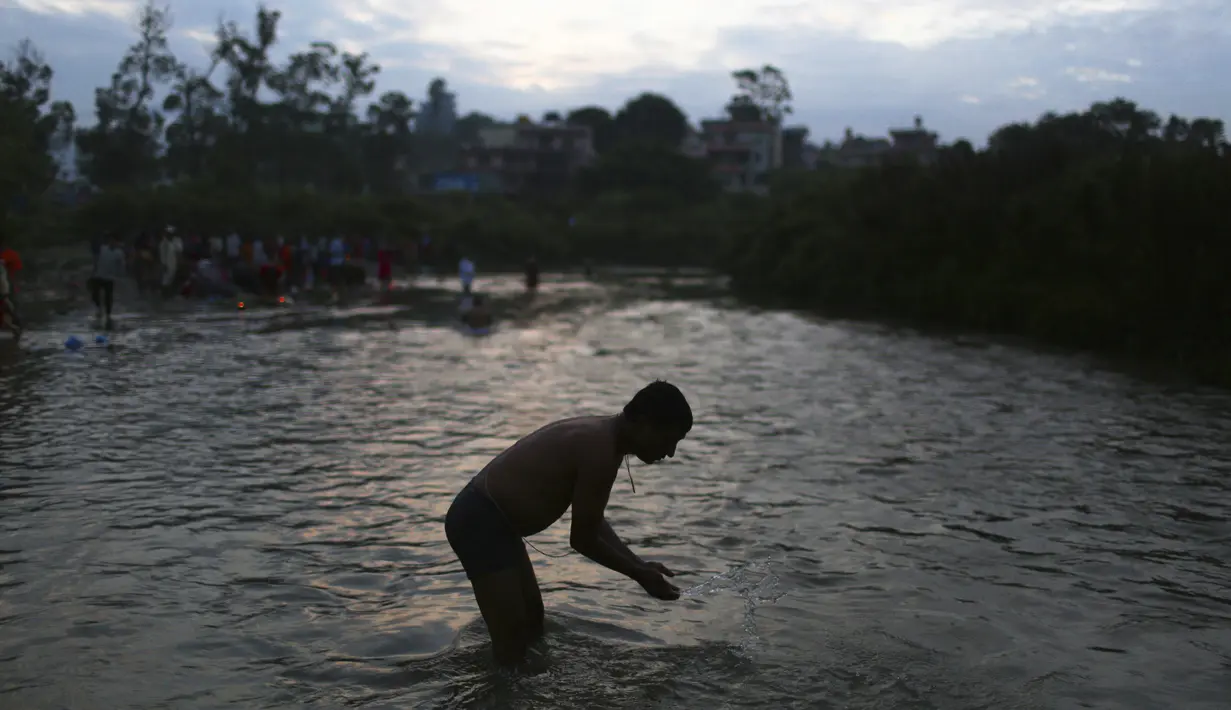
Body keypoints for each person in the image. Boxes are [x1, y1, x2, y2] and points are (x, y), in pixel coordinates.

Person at [444, 380, 692, 666]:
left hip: (497, 524)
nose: (671, 452)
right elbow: (582, 540)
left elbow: (594, 522)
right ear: (645, 423)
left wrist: (640, 564)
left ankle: (524, 690)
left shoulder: (607, 441)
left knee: (533, 621)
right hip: (480, 520)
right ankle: (494, 695)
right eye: (669, 440)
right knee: (511, 639)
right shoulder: (599, 449)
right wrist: (638, 575)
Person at [89, 232, 126, 326]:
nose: (113, 242)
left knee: (108, 297)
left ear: (118, 242)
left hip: (109, 278)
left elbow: (121, 266)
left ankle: (108, 314)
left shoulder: (119, 253)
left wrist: (121, 276)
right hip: (98, 275)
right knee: (95, 294)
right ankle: (99, 308)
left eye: (115, 241)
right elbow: (95, 256)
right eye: (111, 240)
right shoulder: (102, 249)